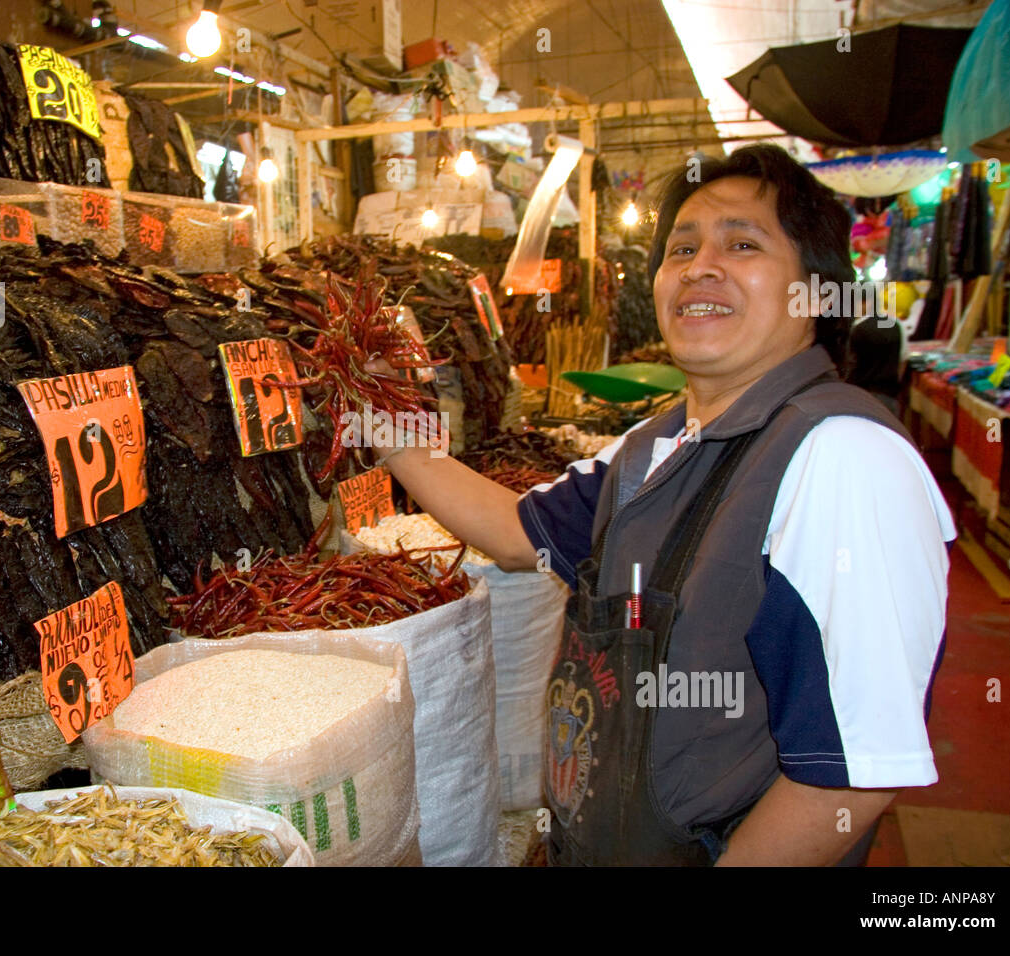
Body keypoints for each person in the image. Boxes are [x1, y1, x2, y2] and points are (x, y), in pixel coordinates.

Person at [371, 144, 955, 866]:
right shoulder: (656, 444)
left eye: (742, 244)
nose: (699, 266)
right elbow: (517, 534)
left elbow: (851, 780)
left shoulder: (842, 459)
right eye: (681, 248)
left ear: (815, 290)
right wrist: (388, 431)